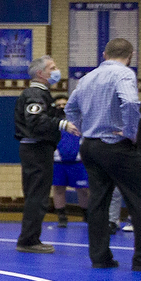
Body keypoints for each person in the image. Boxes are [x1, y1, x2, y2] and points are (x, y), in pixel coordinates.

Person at [63, 38, 141, 272]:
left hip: (90, 146)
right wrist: (130, 133)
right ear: (131, 55)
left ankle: (100, 257)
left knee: (98, 202)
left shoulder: (86, 78)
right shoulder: (124, 74)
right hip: (115, 145)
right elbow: (129, 102)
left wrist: (78, 126)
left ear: (104, 54)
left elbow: (70, 108)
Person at [13, 56, 75, 252]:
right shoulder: (34, 94)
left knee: (38, 194)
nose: (57, 71)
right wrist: (62, 124)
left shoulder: (43, 94)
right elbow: (36, 121)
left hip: (39, 148)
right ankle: (28, 240)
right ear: (41, 73)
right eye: (52, 68)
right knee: (37, 195)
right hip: (36, 149)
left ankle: (30, 237)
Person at [108, 102, 141, 234]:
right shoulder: (115, 111)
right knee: (115, 191)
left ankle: (135, 219)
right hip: (120, 156)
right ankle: (112, 221)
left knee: (139, 191)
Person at [50, 97, 89, 226]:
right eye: (59, 104)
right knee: (59, 189)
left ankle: (86, 214)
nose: (61, 106)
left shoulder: (80, 121)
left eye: (64, 104)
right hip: (58, 162)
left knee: (83, 189)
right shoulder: (52, 122)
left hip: (77, 161)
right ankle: (61, 217)